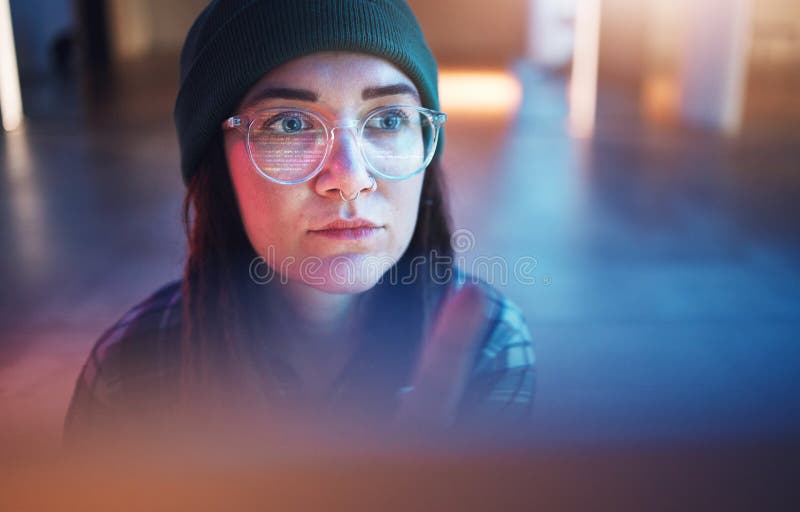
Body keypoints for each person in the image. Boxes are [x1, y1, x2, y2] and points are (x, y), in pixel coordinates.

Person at [64, 0, 535, 443]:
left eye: (389, 119)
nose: (350, 178)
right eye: (290, 124)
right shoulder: (132, 373)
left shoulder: (485, 348)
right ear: (217, 168)